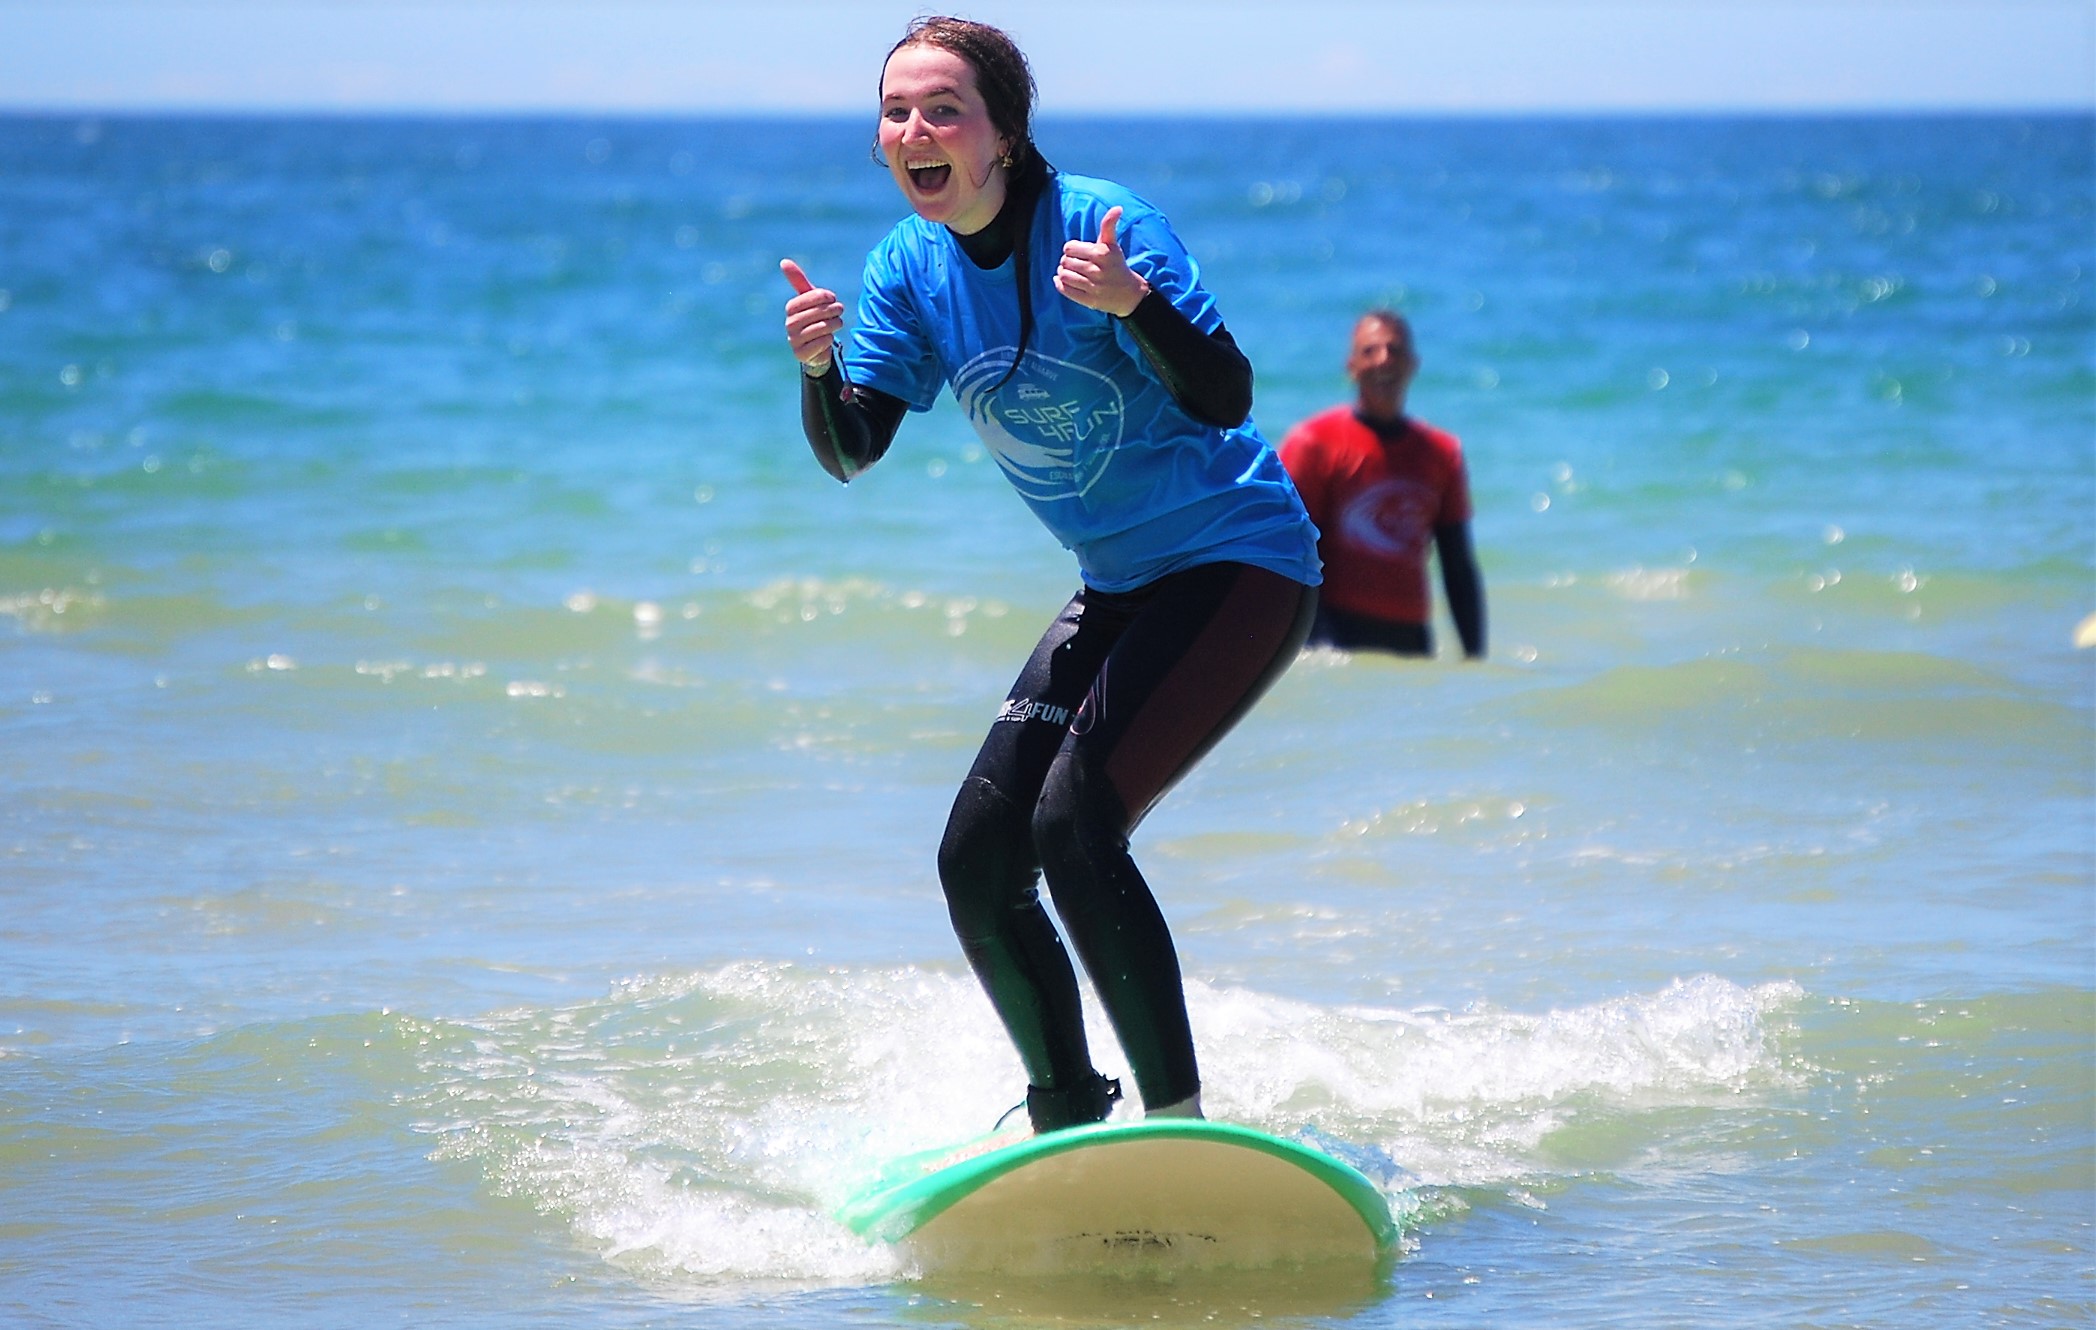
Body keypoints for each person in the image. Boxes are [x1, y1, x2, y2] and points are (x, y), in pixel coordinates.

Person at [779, 17, 1320, 1133]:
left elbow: (1224, 394)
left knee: (1072, 824)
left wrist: (1133, 304)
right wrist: (818, 369)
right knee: (977, 858)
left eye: (943, 109)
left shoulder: (1102, 227)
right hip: (1117, 580)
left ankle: (1178, 1125)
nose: (914, 130)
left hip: (1239, 562)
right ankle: (1065, 1114)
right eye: (895, 112)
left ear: (1005, 133)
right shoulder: (908, 267)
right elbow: (851, 449)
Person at [1278, 311, 1486, 659]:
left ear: (1413, 364)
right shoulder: (1313, 442)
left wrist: (1475, 660)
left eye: (1395, 350)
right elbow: (1291, 552)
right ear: (1351, 366)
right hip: (1335, 637)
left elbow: (1458, 566)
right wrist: (1312, 647)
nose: (1384, 360)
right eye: (1370, 351)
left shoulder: (1441, 453)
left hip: (1412, 641)